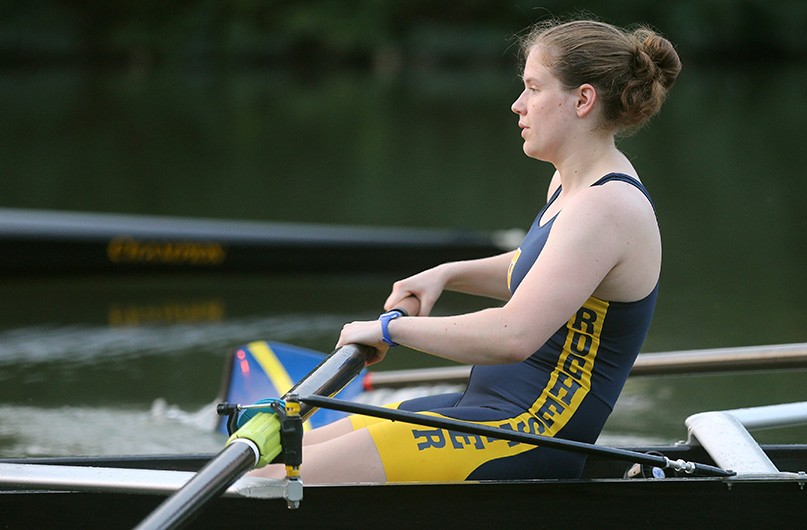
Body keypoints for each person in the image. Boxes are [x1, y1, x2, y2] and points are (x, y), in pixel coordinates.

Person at [253, 17, 681, 483]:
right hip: (483, 410)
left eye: (534, 89)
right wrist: (447, 273)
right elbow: (537, 271)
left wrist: (390, 330)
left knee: (274, 480)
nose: (518, 105)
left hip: (531, 433)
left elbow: (513, 335)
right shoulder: (571, 183)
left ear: (582, 100)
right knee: (271, 459)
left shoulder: (607, 208)